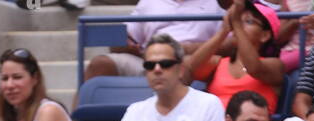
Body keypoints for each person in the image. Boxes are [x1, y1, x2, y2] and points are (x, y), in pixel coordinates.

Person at [82, 0, 224, 82]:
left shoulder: (218, 3)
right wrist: (125, 45)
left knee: (182, 67)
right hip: (148, 60)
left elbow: (230, 43)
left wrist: (181, 49)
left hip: (194, 61)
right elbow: (121, 39)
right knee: (100, 64)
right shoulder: (149, 2)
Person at [186, 0, 286, 116]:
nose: (239, 24)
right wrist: (223, 32)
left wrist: (237, 24)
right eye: (239, 19)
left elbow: (254, 68)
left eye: (248, 21)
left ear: (265, 36)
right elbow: (190, 68)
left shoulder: (276, 65)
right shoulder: (219, 63)